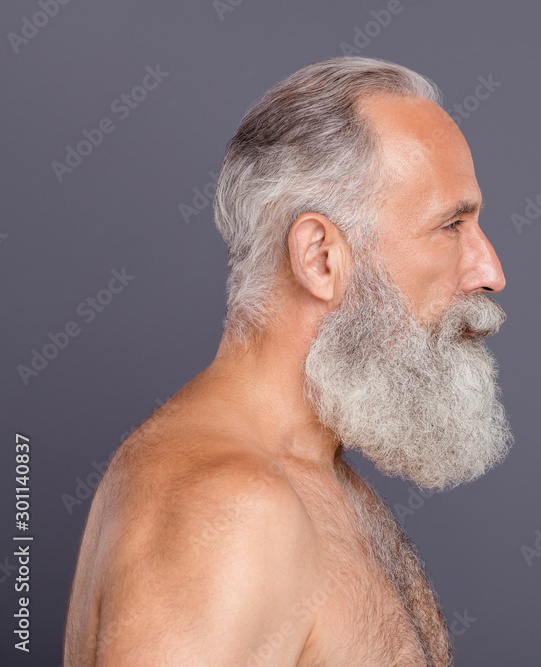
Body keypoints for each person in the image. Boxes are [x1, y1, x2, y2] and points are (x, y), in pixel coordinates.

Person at [63, 56, 513, 666]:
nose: (490, 272)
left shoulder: (314, 475)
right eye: (451, 226)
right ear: (320, 258)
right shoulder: (226, 511)